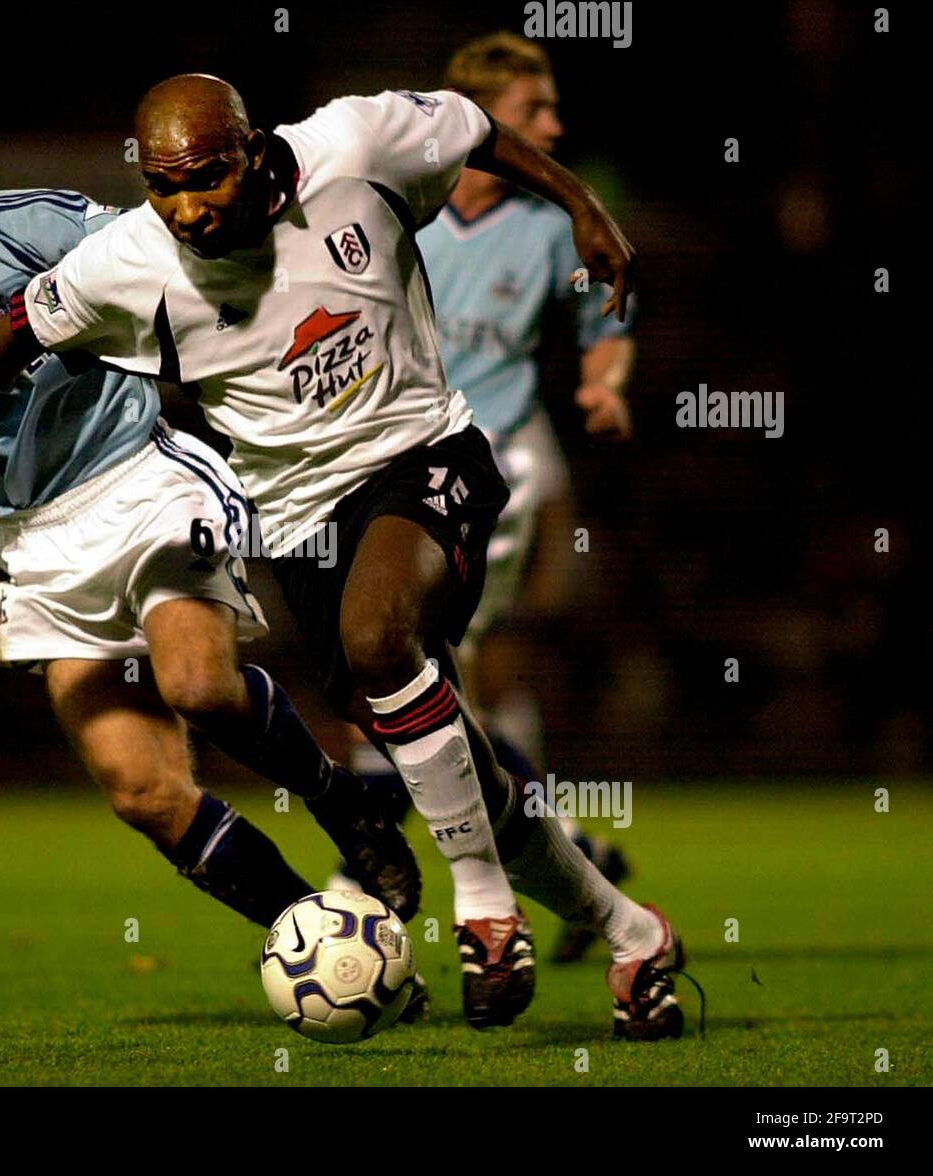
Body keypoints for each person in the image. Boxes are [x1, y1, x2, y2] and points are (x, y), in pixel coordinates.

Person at [0, 76, 685, 1039]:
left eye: (206, 178)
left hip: (424, 459)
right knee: (464, 775)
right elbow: (11, 332)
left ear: (250, 152)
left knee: (379, 641)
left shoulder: (356, 146)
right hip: (299, 528)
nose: (188, 208)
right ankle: (632, 937)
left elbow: (477, 127)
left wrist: (582, 205)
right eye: (164, 187)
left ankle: (485, 912)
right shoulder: (131, 260)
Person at [0, 98, 424, 951]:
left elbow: (160, 251)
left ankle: (339, 798)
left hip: (143, 473)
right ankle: (324, 944)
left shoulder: (19, 224)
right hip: (37, 542)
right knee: (143, 793)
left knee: (196, 684)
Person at [345, 31, 639, 965]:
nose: (553, 126)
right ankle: (567, 856)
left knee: (397, 664)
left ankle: (365, 880)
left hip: (494, 464)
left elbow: (606, 317)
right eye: (531, 113)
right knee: (451, 681)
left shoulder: (552, 226)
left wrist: (605, 380)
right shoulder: (399, 212)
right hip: (391, 459)